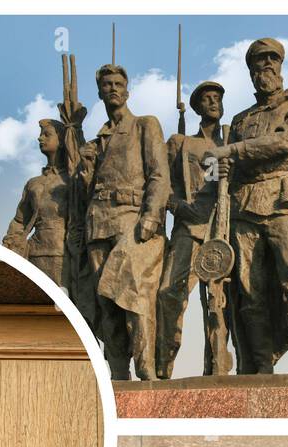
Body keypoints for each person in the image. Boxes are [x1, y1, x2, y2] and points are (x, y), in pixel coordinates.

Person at [205, 38, 288, 374]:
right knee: (250, 291)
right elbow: (225, 167)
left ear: (281, 65)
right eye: (258, 64)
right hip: (244, 207)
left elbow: (287, 141)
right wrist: (226, 165)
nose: (265, 68)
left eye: (271, 61)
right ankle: (260, 366)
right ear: (250, 72)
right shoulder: (242, 119)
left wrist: (232, 152)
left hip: (283, 200)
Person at [76, 64, 169, 380]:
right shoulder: (96, 141)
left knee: (134, 294)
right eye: (107, 84)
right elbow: (81, 190)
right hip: (97, 224)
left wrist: (152, 215)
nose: (113, 88)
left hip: (131, 220)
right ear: (100, 91)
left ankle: (146, 369)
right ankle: (118, 372)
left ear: (127, 91)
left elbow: (158, 173)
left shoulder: (145, 125)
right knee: (106, 303)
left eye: (118, 83)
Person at [157, 80, 227, 378]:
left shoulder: (231, 142)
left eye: (217, 98)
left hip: (221, 228)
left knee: (217, 303)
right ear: (198, 107)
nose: (213, 103)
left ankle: (217, 367)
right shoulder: (183, 143)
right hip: (189, 226)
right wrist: (176, 205)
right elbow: (161, 182)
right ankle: (162, 363)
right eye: (207, 99)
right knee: (168, 293)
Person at [2, 119, 71, 287]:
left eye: (47, 135)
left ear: (62, 141)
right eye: (41, 135)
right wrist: (11, 241)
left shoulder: (73, 179)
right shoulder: (33, 183)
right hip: (34, 253)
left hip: (64, 255)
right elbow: (20, 220)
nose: (40, 139)